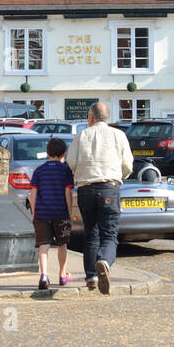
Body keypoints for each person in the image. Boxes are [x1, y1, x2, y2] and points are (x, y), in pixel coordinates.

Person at [67, 102, 133, 294]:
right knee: (109, 235)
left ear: (90, 118)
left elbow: (71, 162)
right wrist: (118, 175)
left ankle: (91, 277)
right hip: (108, 188)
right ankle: (104, 261)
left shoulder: (82, 135)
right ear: (107, 118)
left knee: (90, 234)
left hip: (86, 190)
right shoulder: (118, 135)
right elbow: (128, 164)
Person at [28, 137, 76, 291]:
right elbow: (68, 193)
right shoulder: (65, 170)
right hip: (61, 213)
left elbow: (32, 195)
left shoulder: (39, 171)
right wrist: (69, 212)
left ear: (48, 153)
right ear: (64, 153)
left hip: (42, 213)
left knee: (44, 245)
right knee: (62, 244)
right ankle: (62, 275)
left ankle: (44, 275)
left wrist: (35, 213)